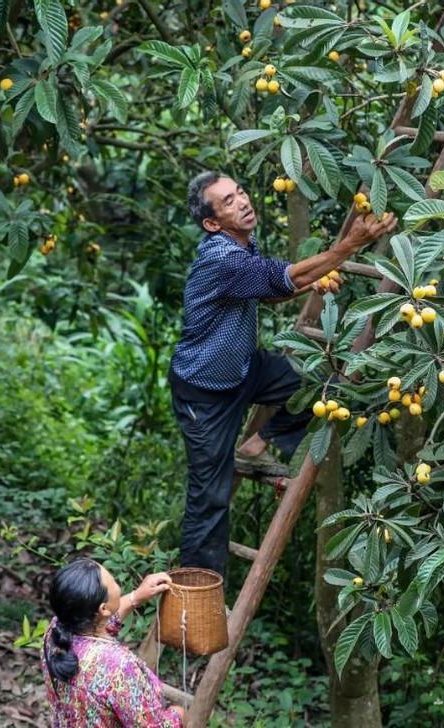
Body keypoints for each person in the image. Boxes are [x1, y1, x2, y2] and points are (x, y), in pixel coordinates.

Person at [169, 171, 396, 581]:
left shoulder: (242, 243)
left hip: (242, 369)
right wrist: (349, 246)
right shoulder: (222, 257)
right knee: (210, 498)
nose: (241, 201)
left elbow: (269, 289)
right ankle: (196, 598)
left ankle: (258, 443)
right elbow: (280, 278)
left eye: (240, 192)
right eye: (227, 201)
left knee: (317, 382)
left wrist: (312, 278)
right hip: (205, 392)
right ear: (211, 223)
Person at [42, 558, 183, 727]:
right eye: (114, 581)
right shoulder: (120, 667)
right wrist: (179, 714)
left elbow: (101, 621)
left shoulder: (54, 633)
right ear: (102, 609)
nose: (117, 583)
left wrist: (136, 597)